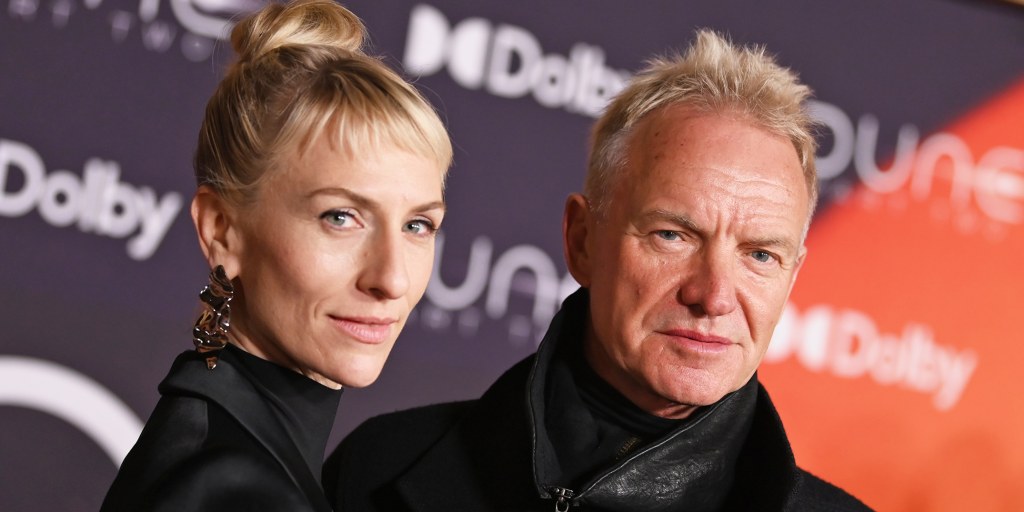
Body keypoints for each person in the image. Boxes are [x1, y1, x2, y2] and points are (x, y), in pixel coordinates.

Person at [323, 30, 872, 511]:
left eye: (760, 255)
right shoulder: (380, 468)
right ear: (582, 240)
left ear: (792, 278)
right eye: (673, 235)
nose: (714, 296)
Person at [99, 0, 451, 510]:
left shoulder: (233, 454)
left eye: (417, 225)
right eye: (340, 217)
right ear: (222, 230)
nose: (391, 279)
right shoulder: (231, 490)